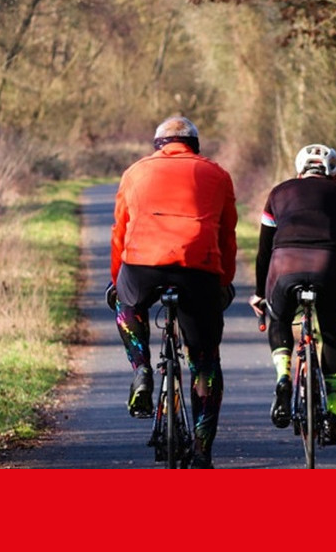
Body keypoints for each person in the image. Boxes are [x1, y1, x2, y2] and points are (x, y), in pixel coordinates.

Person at [106, 116, 238, 469]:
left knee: (126, 303)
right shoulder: (218, 175)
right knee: (206, 362)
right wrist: (224, 280)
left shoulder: (135, 172)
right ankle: (201, 452)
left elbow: (120, 230)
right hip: (199, 270)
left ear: (158, 145)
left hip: (142, 267)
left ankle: (142, 369)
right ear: (194, 146)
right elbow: (227, 235)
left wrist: (116, 278)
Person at [248, 143, 336, 445]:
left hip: (285, 265)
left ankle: (284, 376)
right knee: (331, 334)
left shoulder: (278, 193)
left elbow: (264, 251)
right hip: (330, 267)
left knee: (280, 320)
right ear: (334, 173)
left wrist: (260, 293)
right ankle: (334, 412)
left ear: (300, 169)